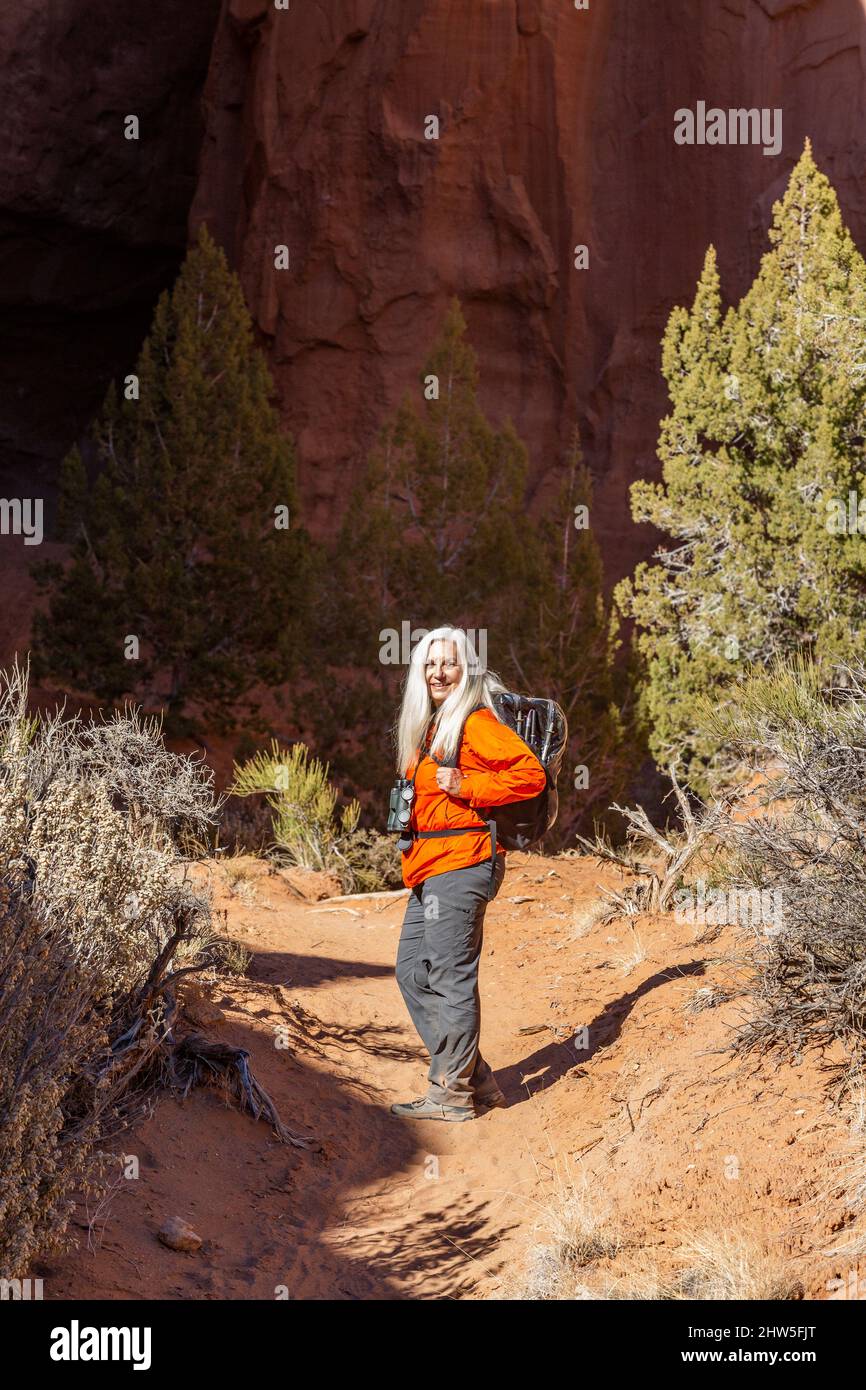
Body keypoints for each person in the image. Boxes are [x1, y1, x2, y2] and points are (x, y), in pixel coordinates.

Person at [391, 626, 547, 1121]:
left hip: (462, 864)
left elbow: (530, 775)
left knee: (451, 978)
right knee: (413, 972)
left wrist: (466, 783)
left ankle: (451, 1095)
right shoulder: (432, 725)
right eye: (430, 664)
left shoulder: (474, 722)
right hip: (429, 865)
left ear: (467, 671)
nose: (438, 672)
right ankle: (476, 1081)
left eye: (449, 663)